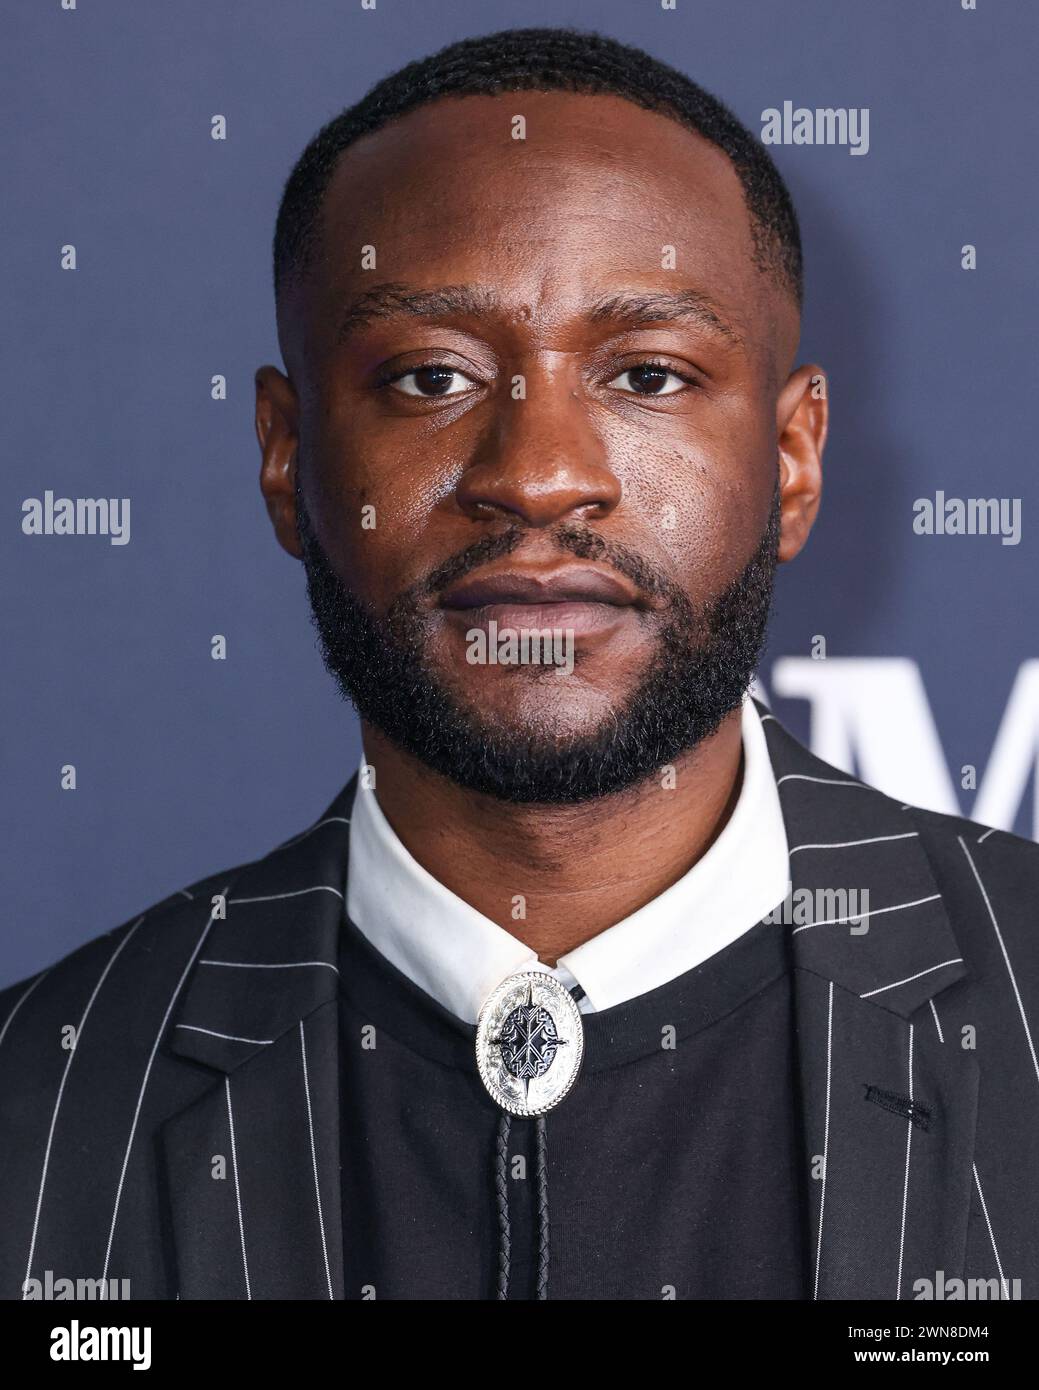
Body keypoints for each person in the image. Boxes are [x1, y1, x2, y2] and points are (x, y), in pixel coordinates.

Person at [3, 26, 1037, 1302]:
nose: (538, 473)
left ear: (792, 459)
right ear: (287, 458)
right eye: (431, 375)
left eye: (647, 375)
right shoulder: (40, 1099)